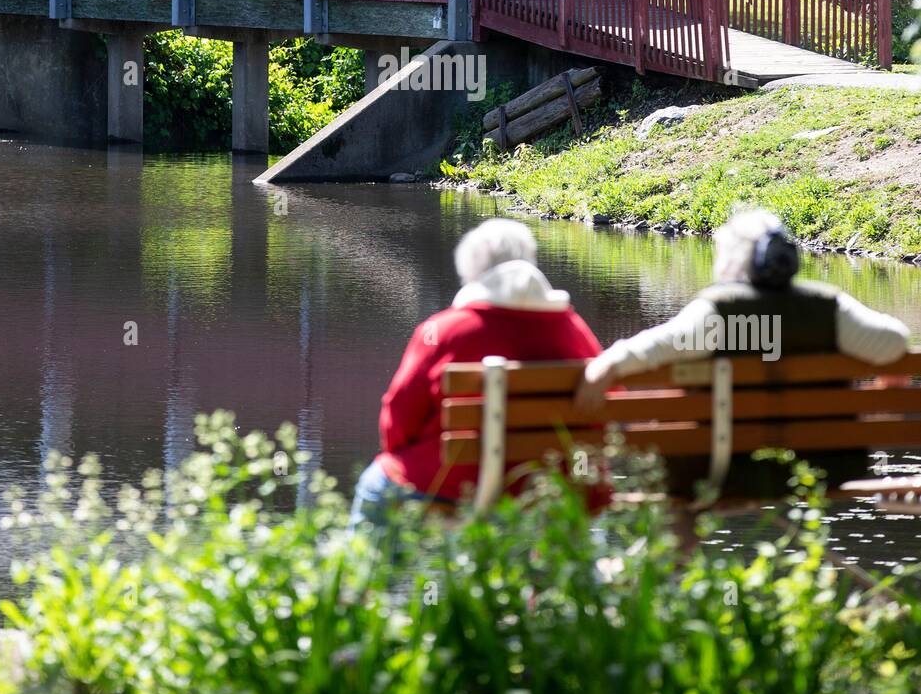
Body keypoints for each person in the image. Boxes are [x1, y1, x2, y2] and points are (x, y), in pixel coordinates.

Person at [350, 218, 604, 527]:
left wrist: (405, 458)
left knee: (375, 487)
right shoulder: (574, 330)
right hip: (549, 487)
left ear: (472, 275)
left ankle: (367, 575)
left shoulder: (444, 331)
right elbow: (603, 410)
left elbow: (398, 422)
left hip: (450, 485)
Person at [574, 208, 912, 419]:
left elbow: (654, 347)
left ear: (733, 259)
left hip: (726, 468)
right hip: (824, 467)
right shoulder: (828, 307)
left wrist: (606, 364)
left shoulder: (720, 313)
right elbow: (894, 340)